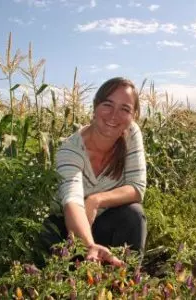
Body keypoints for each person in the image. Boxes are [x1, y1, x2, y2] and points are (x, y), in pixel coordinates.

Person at [40, 77, 147, 266]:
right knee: (48, 233)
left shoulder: (131, 133)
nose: (114, 115)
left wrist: (95, 200)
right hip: (70, 227)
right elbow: (72, 201)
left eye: (125, 109)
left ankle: (127, 283)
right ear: (95, 106)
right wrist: (89, 245)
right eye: (108, 104)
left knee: (133, 215)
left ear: (133, 115)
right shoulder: (70, 150)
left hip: (104, 222)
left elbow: (137, 188)